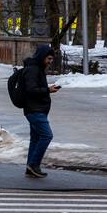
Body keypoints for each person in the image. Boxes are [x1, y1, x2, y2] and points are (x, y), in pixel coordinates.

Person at [22, 42, 60, 178]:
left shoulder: (37, 68)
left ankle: (29, 167)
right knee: (47, 135)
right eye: (48, 59)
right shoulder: (33, 69)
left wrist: (47, 88)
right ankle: (34, 164)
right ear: (42, 56)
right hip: (34, 110)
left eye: (51, 59)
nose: (50, 61)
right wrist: (47, 90)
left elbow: (34, 87)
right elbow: (30, 90)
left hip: (37, 109)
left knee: (35, 139)